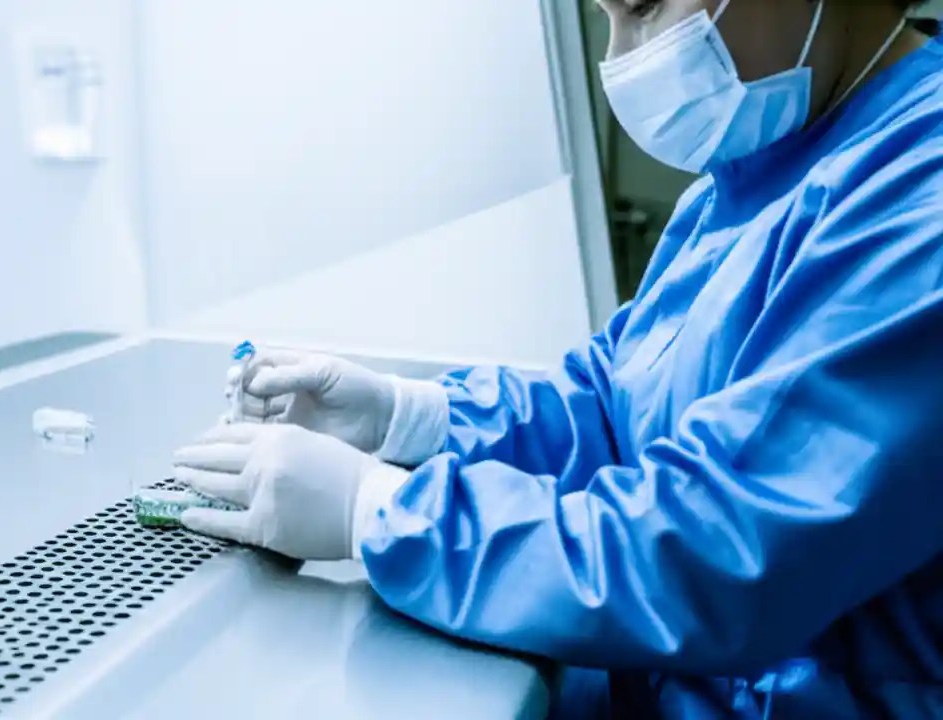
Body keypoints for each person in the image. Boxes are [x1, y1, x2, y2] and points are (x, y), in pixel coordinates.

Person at [173, 0, 943, 716]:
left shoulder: (922, 199)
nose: (626, 58)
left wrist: (376, 512)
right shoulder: (746, 183)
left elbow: (720, 553)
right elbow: (616, 405)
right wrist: (412, 420)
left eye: (643, 6)